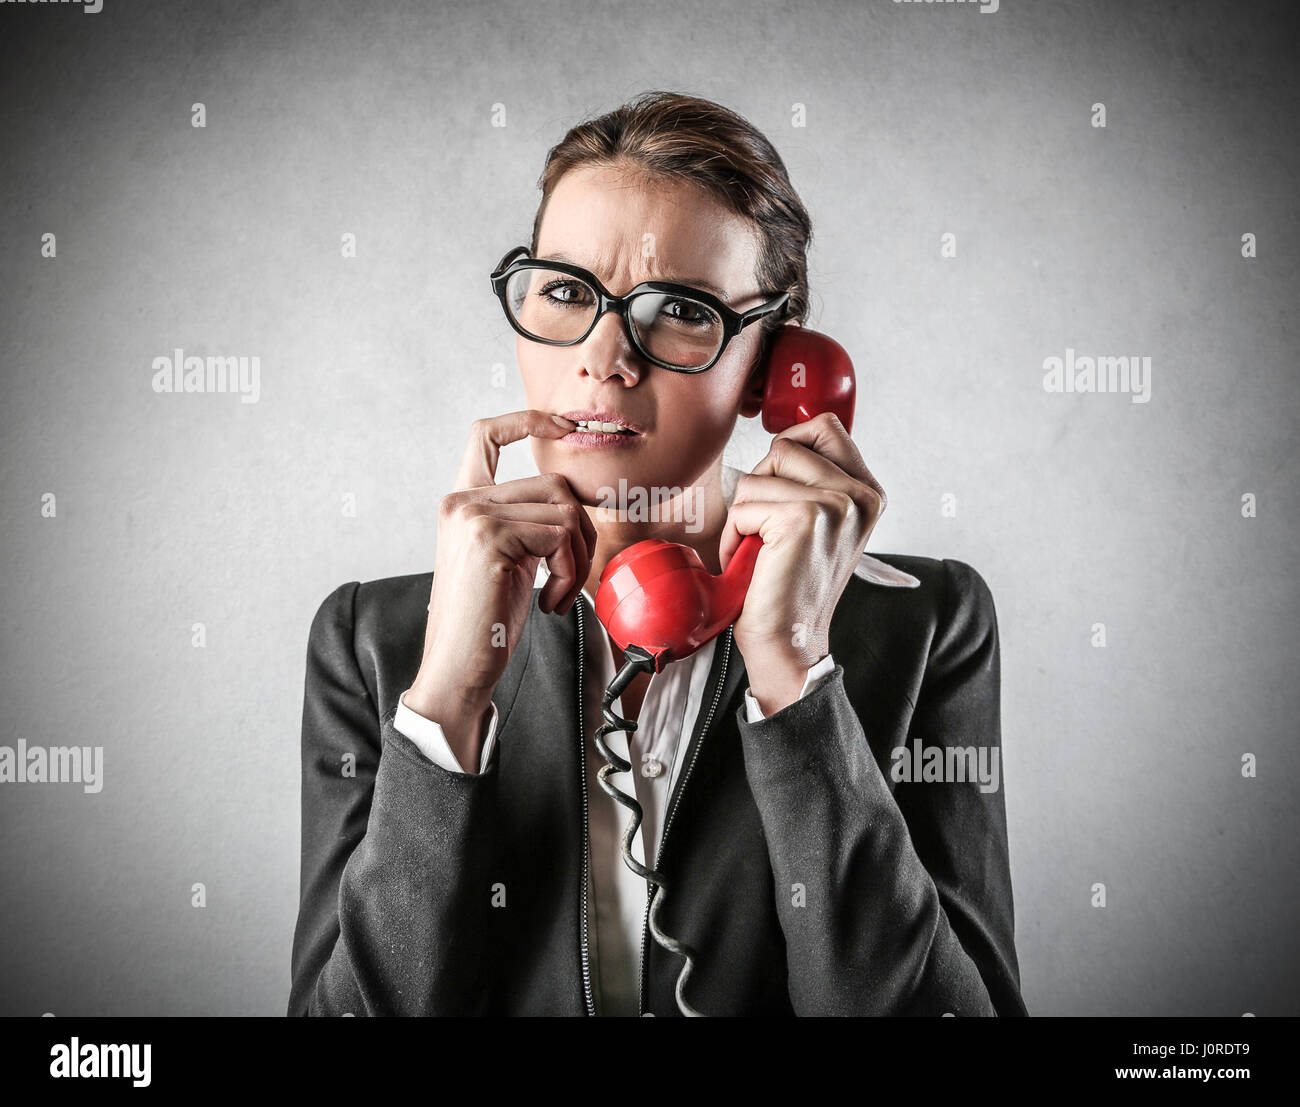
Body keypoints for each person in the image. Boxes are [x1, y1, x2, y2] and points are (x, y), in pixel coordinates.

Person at [287, 90, 1027, 1017]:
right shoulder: (372, 643)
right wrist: (444, 707)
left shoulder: (929, 626)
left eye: (678, 308)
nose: (604, 356)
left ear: (773, 368)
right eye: (564, 291)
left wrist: (796, 676)